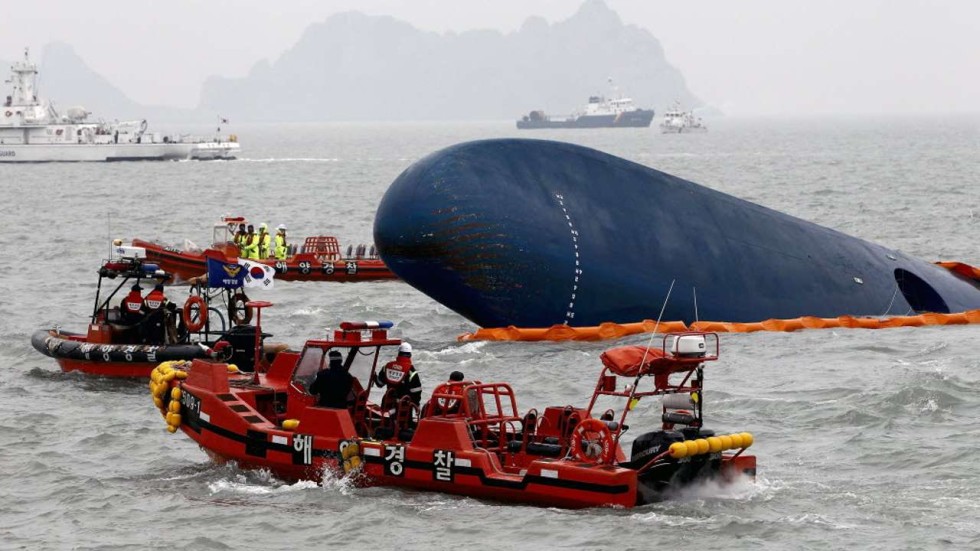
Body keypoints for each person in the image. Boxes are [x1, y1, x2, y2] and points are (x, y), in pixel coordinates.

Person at [375, 343, 422, 409]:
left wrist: (374, 376)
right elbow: (416, 392)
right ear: (410, 355)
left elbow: (379, 384)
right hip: (403, 408)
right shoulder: (411, 371)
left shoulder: (387, 366)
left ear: (399, 353)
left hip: (388, 404)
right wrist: (417, 405)